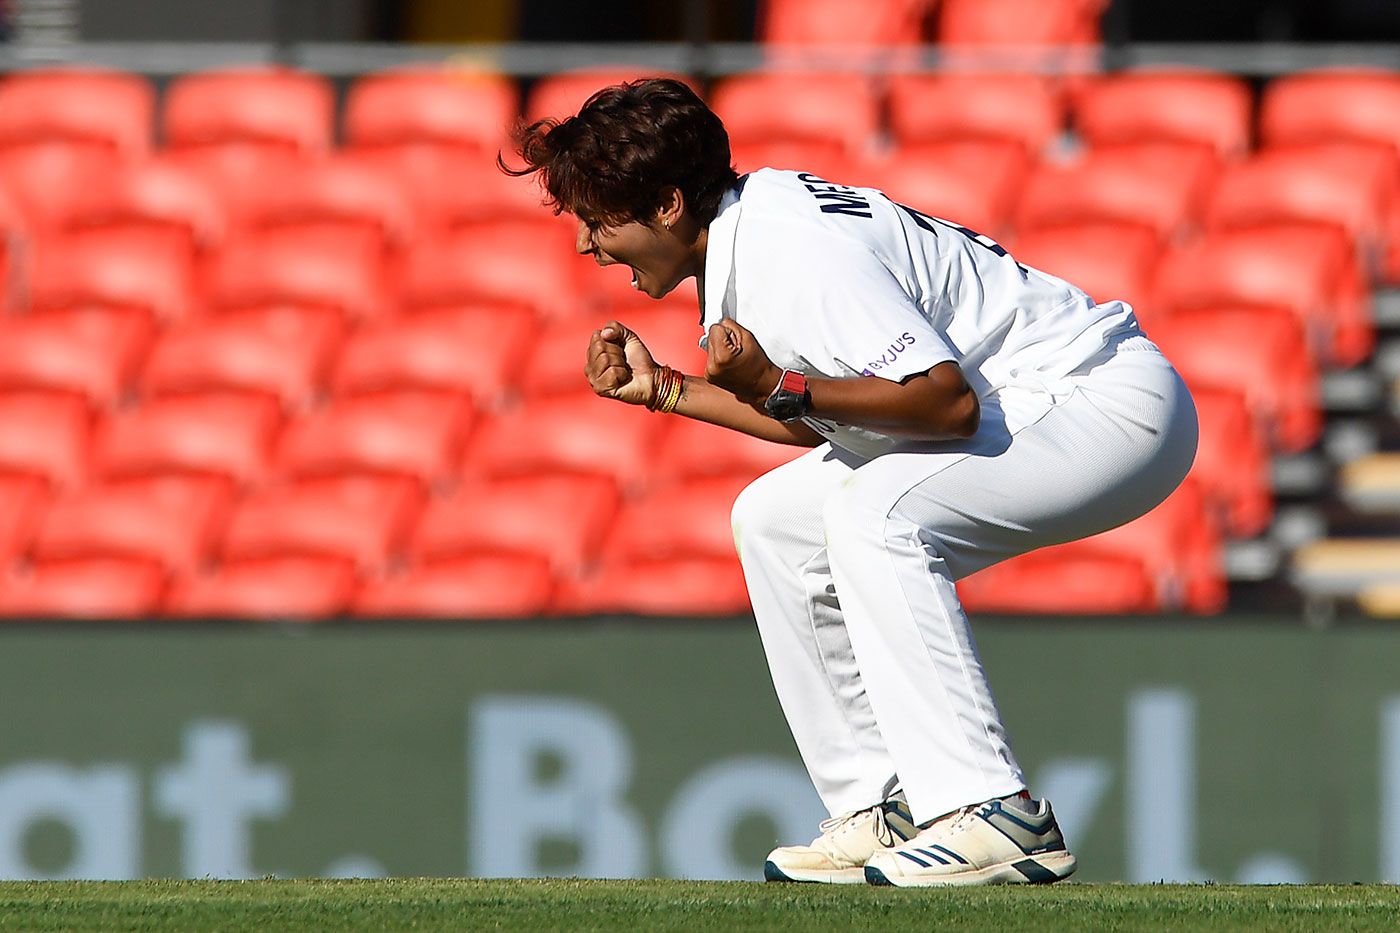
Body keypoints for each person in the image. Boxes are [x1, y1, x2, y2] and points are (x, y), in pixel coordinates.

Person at [503, 78, 1197, 887]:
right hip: (1037, 403)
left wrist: (783, 384)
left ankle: (993, 809)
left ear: (665, 205)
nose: (588, 244)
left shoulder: (788, 252)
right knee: (775, 520)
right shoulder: (752, 232)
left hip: (1102, 401)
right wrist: (669, 391)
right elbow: (850, 418)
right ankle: (881, 806)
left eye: (597, 220)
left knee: (877, 515)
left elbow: (943, 404)